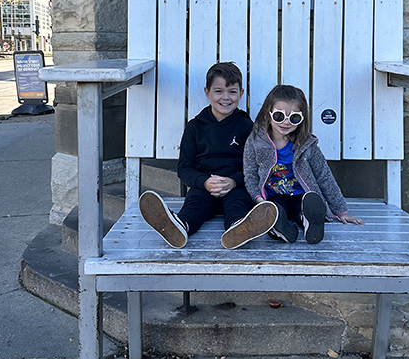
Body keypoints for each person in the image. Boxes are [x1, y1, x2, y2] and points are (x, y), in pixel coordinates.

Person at [139, 61, 278, 249]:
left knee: (238, 204)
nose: (226, 98)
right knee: (195, 205)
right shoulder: (195, 127)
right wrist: (204, 182)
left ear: (241, 93)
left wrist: (234, 181)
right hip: (204, 185)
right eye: (218, 91)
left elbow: (255, 166)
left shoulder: (246, 127)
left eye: (232, 91)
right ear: (207, 92)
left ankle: (238, 229)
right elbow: (184, 168)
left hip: (236, 185)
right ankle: (179, 226)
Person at [244, 84, 364, 244]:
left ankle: (308, 221)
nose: (286, 122)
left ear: (302, 119)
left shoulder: (307, 145)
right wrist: (259, 200)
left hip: (304, 196)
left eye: (294, 117)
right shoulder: (255, 142)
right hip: (274, 198)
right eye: (279, 116)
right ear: (268, 113)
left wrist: (341, 211)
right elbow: (250, 174)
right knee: (274, 214)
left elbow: (324, 176)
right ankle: (282, 229)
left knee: (308, 207)